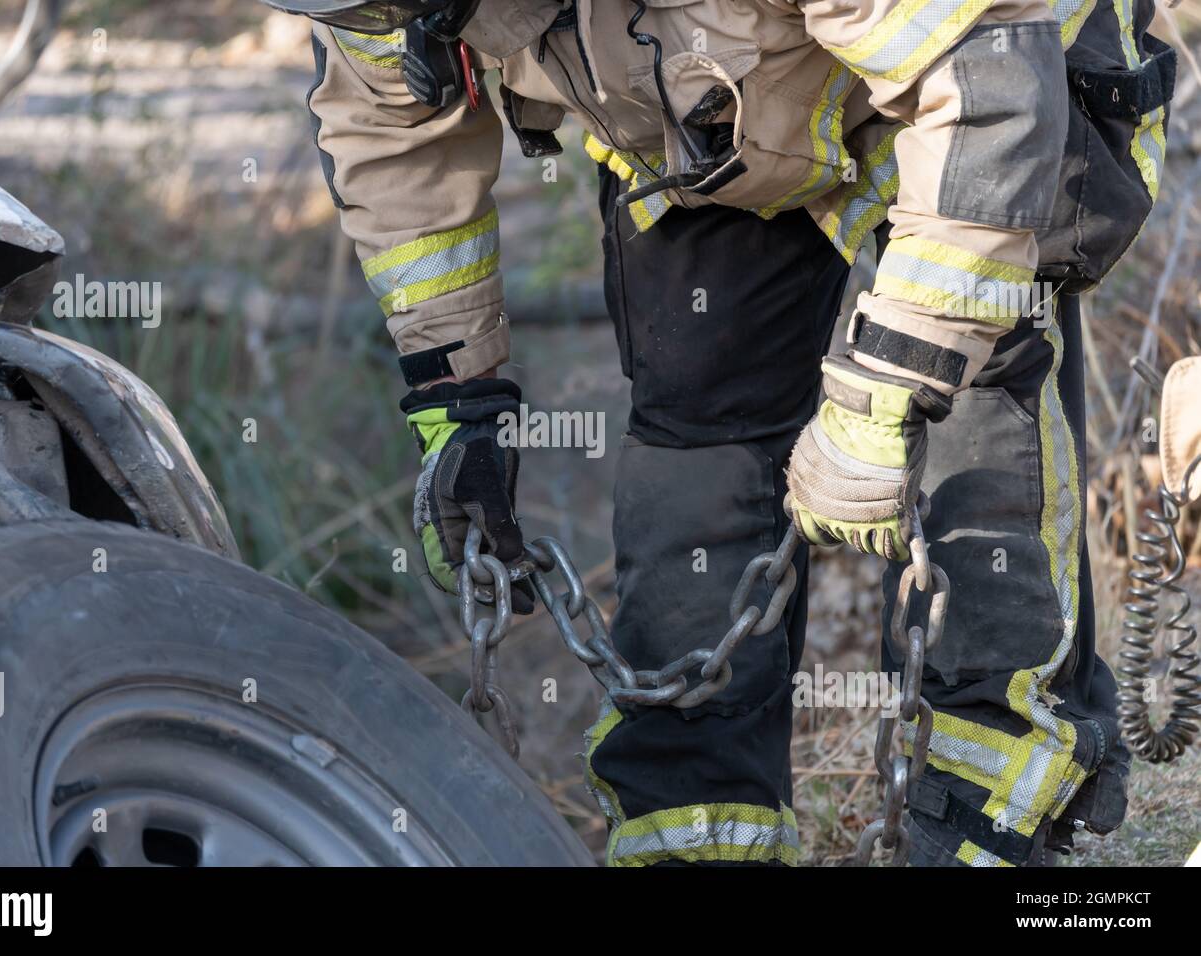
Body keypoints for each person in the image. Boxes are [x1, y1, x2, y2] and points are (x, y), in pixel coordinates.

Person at [274, 0, 1167, 865]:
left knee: (970, 381)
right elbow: (391, 141)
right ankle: (697, 824)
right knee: (697, 426)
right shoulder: (376, 5)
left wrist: (890, 387)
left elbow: (989, 98)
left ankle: (985, 800)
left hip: (991, 73)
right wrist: (458, 405)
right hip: (718, 105)